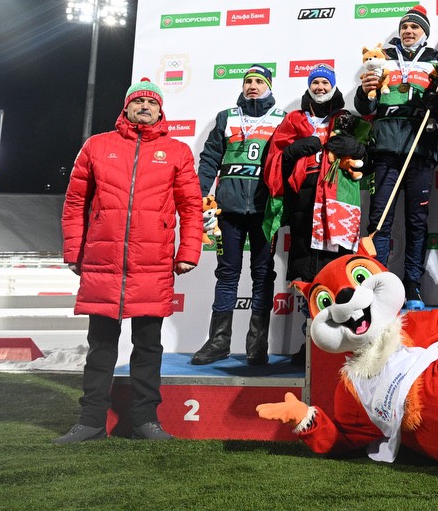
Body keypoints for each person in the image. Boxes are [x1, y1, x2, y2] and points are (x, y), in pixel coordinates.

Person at [55, 78, 203, 443]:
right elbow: (75, 203)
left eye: (151, 102)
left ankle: (145, 422)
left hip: (152, 264)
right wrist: (74, 251)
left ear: (160, 110)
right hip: (103, 263)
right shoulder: (97, 146)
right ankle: (90, 422)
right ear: (126, 107)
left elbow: (191, 207)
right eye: (138, 101)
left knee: (149, 347)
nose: (144, 106)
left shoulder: (178, 151)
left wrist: (188, 252)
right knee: (101, 347)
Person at [191, 64, 287, 366]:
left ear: (269, 86)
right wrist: (201, 193)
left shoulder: (281, 119)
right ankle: (218, 341)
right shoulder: (227, 117)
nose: (253, 86)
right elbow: (209, 160)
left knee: (262, 274)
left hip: (264, 211)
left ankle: (257, 345)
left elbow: (290, 163)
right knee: (227, 274)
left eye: (259, 81)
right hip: (228, 211)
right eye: (248, 81)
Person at [354, 5, 438, 309]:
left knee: (417, 222)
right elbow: (364, 108)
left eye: (415, 27)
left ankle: (413, 285)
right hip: (386, 152)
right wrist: (365, 92)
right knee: (379, 220)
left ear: (424, 33)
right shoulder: (383, 57)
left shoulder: (436, 62)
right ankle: (379, 287)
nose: (408, 31)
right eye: (404, 27)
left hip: (420, 150)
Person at [264, 64, 368, 286]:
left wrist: (357, 149)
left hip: (338, 195)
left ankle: (335, 307)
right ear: (309, 86)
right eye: (315, 82)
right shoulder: (294, 118)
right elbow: (275, 159)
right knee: (304, 252)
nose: (320, 87)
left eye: (324, 82)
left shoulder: (345, 118)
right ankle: (309, 314)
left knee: (335, 258)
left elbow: (367, 163)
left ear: (333, 86)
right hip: (304, 193)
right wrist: (294, 150)